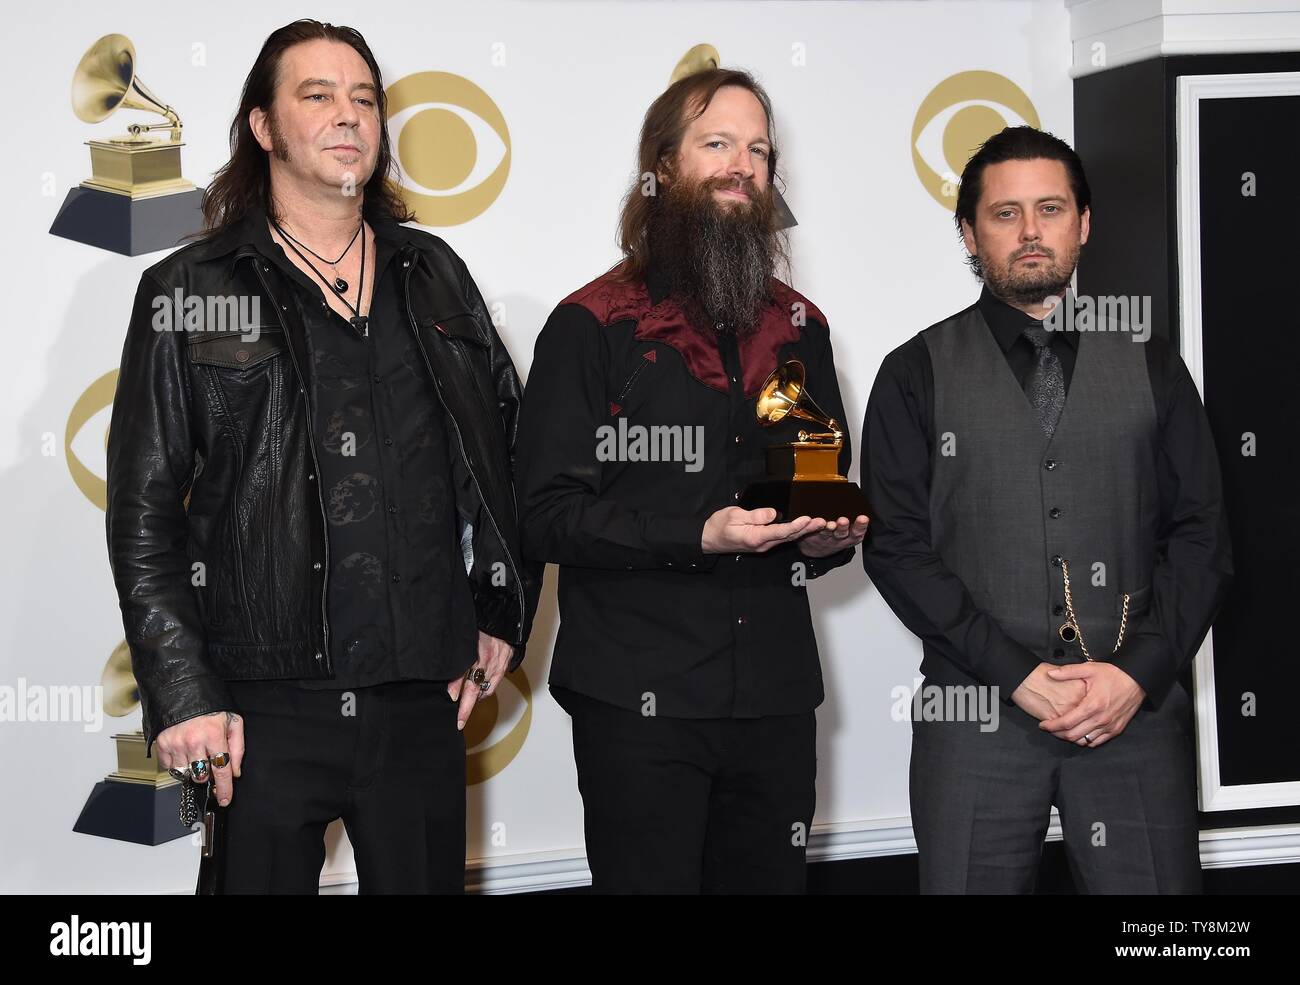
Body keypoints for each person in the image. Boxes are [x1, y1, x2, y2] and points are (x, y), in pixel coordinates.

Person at [105, 19, 537, 893]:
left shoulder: (435, 273)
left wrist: (498, 605)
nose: (349, 116)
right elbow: (143, 512)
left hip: (421, 693)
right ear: (263, 128)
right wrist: (182, 691)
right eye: (318, 96)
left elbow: (507, 455)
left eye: (364, 99)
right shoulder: (190, 290)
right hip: (261, 704)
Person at [517, 68, 868, 893]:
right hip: (640, 704)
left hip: (777, 700)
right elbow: (544, 515)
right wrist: (697, 533)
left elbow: (818, 480)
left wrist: (828, 530)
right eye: (716, 144)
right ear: (663, 168)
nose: (740, 166)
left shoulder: (800, 325)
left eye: (757, 150)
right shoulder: (592, 323)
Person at [861, 125, 1232, 893]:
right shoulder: (913, 373)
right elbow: (897, 549)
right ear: (968, 231)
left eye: (1051, 208)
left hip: (1134, 714)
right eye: (1005, 214)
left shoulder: (1154, 363)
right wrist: (1017, 673)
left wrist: (1137, 674)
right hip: (974, 718)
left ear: (1084, 223)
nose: (1031, 232)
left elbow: (1202, 539)